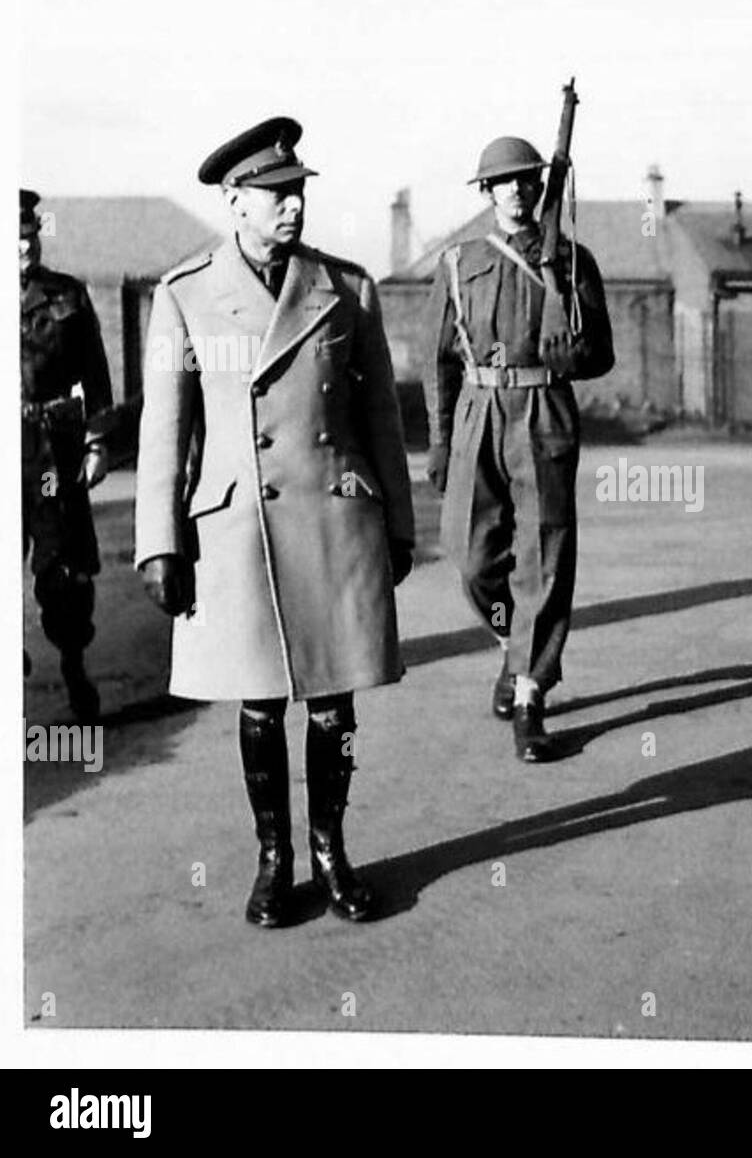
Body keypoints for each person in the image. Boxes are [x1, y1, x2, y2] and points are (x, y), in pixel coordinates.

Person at [134, 117, 415, 927]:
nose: (292, 207)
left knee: (333, 702)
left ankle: (331, 850)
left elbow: (380, 420)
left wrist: (396, 521)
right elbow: (166, 427)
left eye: (297, 193)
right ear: (235, 203)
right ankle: (273, 857)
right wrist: (159, 540)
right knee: (259, 702)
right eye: (275, 195)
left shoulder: (345, 289)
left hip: (333, 515)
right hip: (238, 528)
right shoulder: (186, 294)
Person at [422, 135, 615, 762]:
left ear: (538, 186)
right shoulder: (457, 262)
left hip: (544, 410)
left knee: (545, 553)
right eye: (503, 182)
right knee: (473, 558)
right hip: (479, 409)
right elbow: (439, 363)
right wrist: (442, 441)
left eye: (526, 179)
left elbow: (600, 353)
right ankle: (514, 643)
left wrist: (575, 355)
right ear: (486, 191)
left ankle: (531, 692)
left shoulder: (571, 261)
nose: (516, 190)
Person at [20, 188, 114, 720]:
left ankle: (74, 663)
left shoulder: (68, 296)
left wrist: (98, 440)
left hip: (55, 448)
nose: (24, 247)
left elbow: (97, 376)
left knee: (64, 568)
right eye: (12, 240)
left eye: (29, 236)